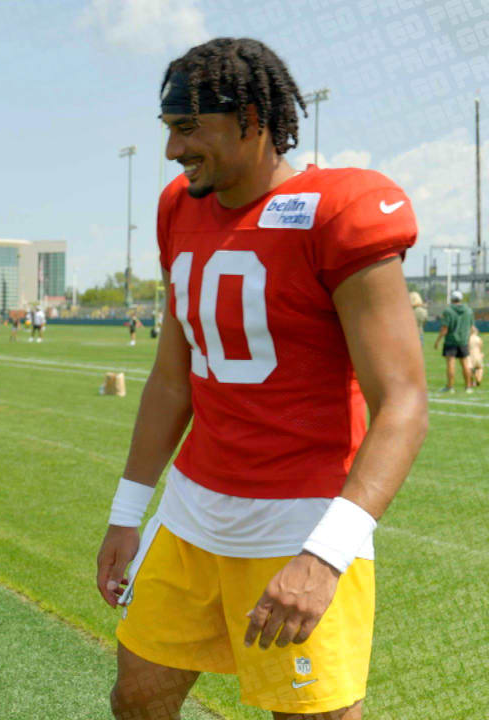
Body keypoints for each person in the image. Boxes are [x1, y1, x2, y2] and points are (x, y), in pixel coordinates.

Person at [96, 38, 426, 720]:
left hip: (299, 517)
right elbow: (170, 377)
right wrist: (128, 514)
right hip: (192, 511)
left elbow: (404, 402)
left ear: (252, 117)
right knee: (137, 696)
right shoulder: (178, 208)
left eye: (187, 129)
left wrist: (326, 557)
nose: (172, 150)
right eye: (168, 130)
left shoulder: (341, 209)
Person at [434, 290, 474, 393]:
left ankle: (450, 387)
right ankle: (468, 387)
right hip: (463, 341)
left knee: (451, 364)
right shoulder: (469, 311)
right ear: (461, 299)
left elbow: (444, 329)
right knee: (465, 363)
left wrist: (437, 341)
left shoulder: (448, 311)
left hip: (451, 341)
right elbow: (471, 328)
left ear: (451, 299)